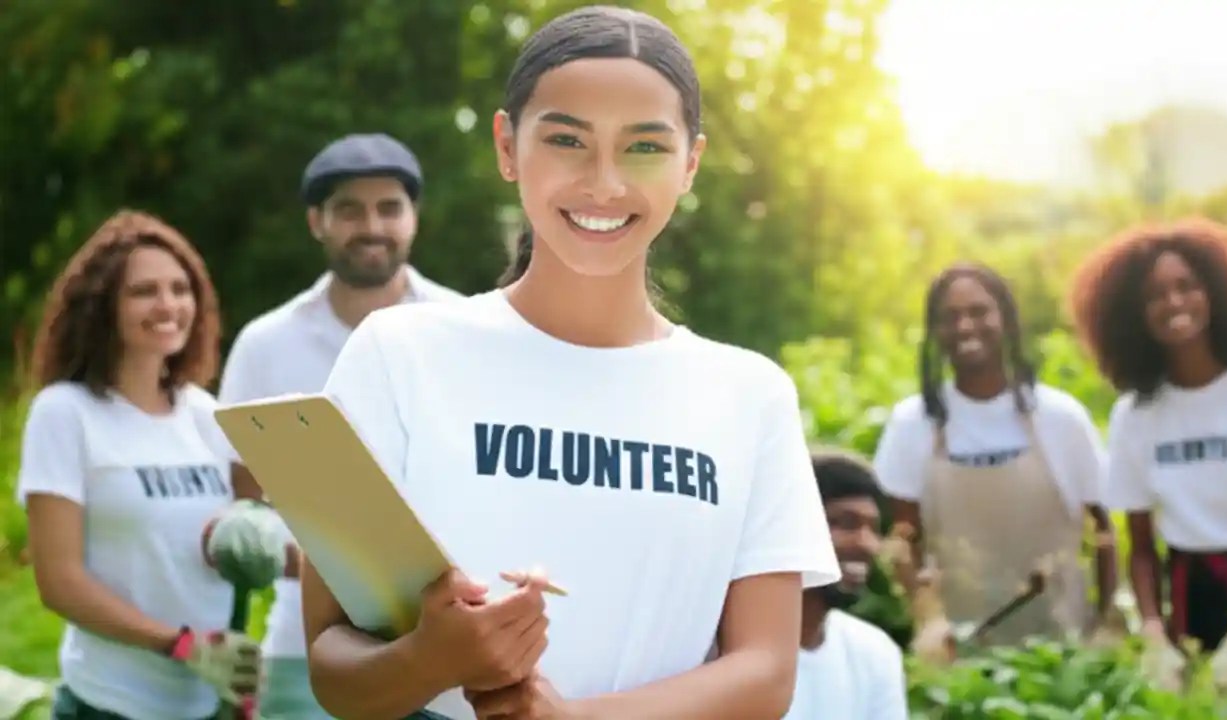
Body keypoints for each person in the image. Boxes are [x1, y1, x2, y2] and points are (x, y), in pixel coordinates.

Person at [302, 6, 840, 720]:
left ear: (690, 164)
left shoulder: (751, 394)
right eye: (566, 140)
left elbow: (766, 673)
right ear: (506, 146)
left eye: (644, 146)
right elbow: (331, 665)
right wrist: (432, 658)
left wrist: (574, 719)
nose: (604, 183)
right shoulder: (396, 354)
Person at [211, 132, 464, 719]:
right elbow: (247, 502)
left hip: (445, 644)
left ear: (414, 218)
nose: (371, 226)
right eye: (349, 210)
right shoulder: (265, 344)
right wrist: (340, 565)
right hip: (302, 648)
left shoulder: (462, 330)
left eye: (389, 208)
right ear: (316, 222)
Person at [16, 210, 260, 719]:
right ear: (102, 306)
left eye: (180, 289)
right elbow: (58, 581)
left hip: (205, 705)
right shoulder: (66, 413)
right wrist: (180, 645)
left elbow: (262, 533)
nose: (168, 305)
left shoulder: (206, 414)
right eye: (144, 291)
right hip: (110, 704)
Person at [873, 262, 1117, 646]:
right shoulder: (912, 423)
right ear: (935, 331)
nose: (965, 326)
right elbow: (903, 542)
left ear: (1005, 318)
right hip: (958, 648)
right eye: (950, 317)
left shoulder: (1059, 417)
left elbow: (1104, 531)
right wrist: (928, 622)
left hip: (1062, 645)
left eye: (979, 312)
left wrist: (1104, 622)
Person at [1069, 217, 1227, 657]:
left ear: (1218, 293)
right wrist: (1152, 630)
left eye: (1187, 286)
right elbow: (1142, 547)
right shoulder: (1134, 415)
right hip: (1191, 596)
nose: (1173, 302)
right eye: (1154, 295)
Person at [783, 448, 907, 720]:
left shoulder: (873, 653)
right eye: (847, 523)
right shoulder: (726, 648)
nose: (867, 544)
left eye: (874, 529)